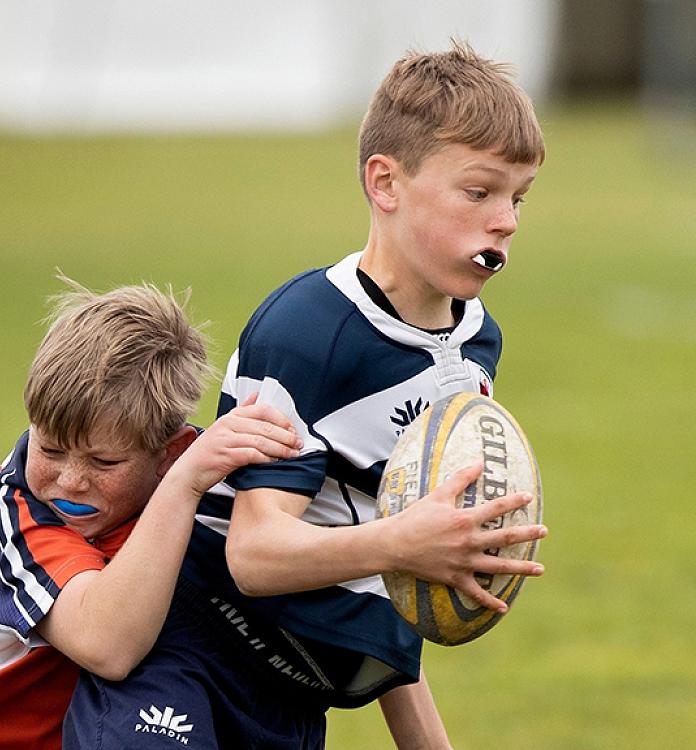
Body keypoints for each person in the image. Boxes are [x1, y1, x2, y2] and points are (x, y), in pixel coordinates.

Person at [63, 41, 550, 749]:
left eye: (518, 197)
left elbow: (382, 577)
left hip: (293, 701)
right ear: (385, 183)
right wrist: (404, 544)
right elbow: (254, 556)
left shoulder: (476, 345)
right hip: (192, 657)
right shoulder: (309, 332)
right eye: (479, 192)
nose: (505, 218)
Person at [0, 278, 303, 749]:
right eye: (52, 449)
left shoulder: (204, 485)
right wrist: (183, 485)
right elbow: (107, 645)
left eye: (105, 462)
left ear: (169, 453)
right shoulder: (12, 504)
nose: (71, 480)